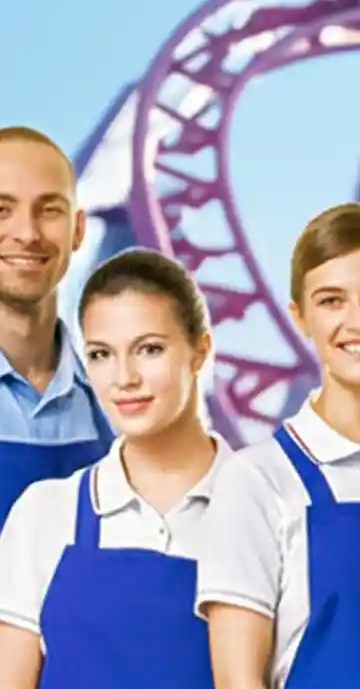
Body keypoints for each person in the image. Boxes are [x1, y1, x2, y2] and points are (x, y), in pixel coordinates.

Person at [196, 202, 360, 688]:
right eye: (331, 301)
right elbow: (238, 682)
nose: (358, 321)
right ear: (299, 318)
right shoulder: (259, 481)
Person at [0, 248, 227, 687]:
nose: (124, 377)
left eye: (149, 349)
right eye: (102, 354)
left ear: (201, 351)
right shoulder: (45, 514)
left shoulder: (271, 512)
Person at [0, 126, 113, 531]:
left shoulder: (119, 404)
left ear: (78, 230)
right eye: (2, 210)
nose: (27, 234)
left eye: (49, 210)